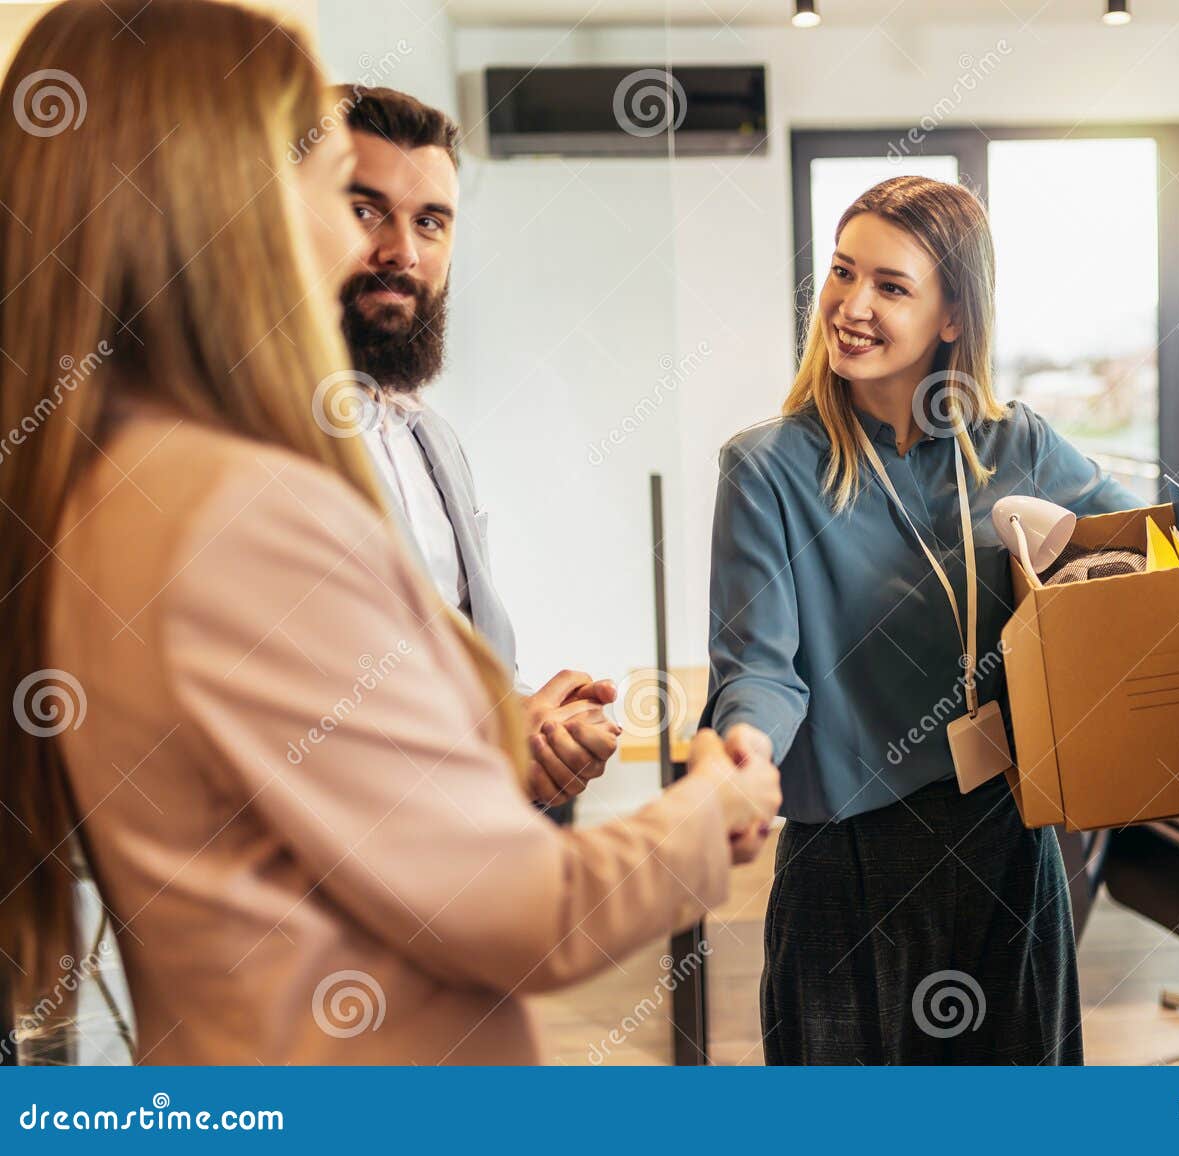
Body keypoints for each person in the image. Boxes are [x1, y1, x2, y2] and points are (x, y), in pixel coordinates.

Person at [0, 0, 780, 1065]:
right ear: (230, 206)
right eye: (342, 193)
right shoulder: (239, 504)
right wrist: (713, 807)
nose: (377, 248)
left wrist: (498, 727)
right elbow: (514, 907)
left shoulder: (119, 473)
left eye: (428, 220)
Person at [703, 176, 1139, 1064]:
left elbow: (1161, 557)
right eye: (841, 272)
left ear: (952, 317)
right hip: (846, 868)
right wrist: (744, 746)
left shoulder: (1018, 446)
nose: (851, 306)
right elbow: (760, 666)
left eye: (890, 286)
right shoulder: (767, 469)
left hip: (1005, 845)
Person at [337, 87, 611, 814]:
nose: (402, 252)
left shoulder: (431, 438)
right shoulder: (252, 442)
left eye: (430, 222)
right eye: (365, 211)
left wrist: (536, 727)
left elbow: (457, 652)